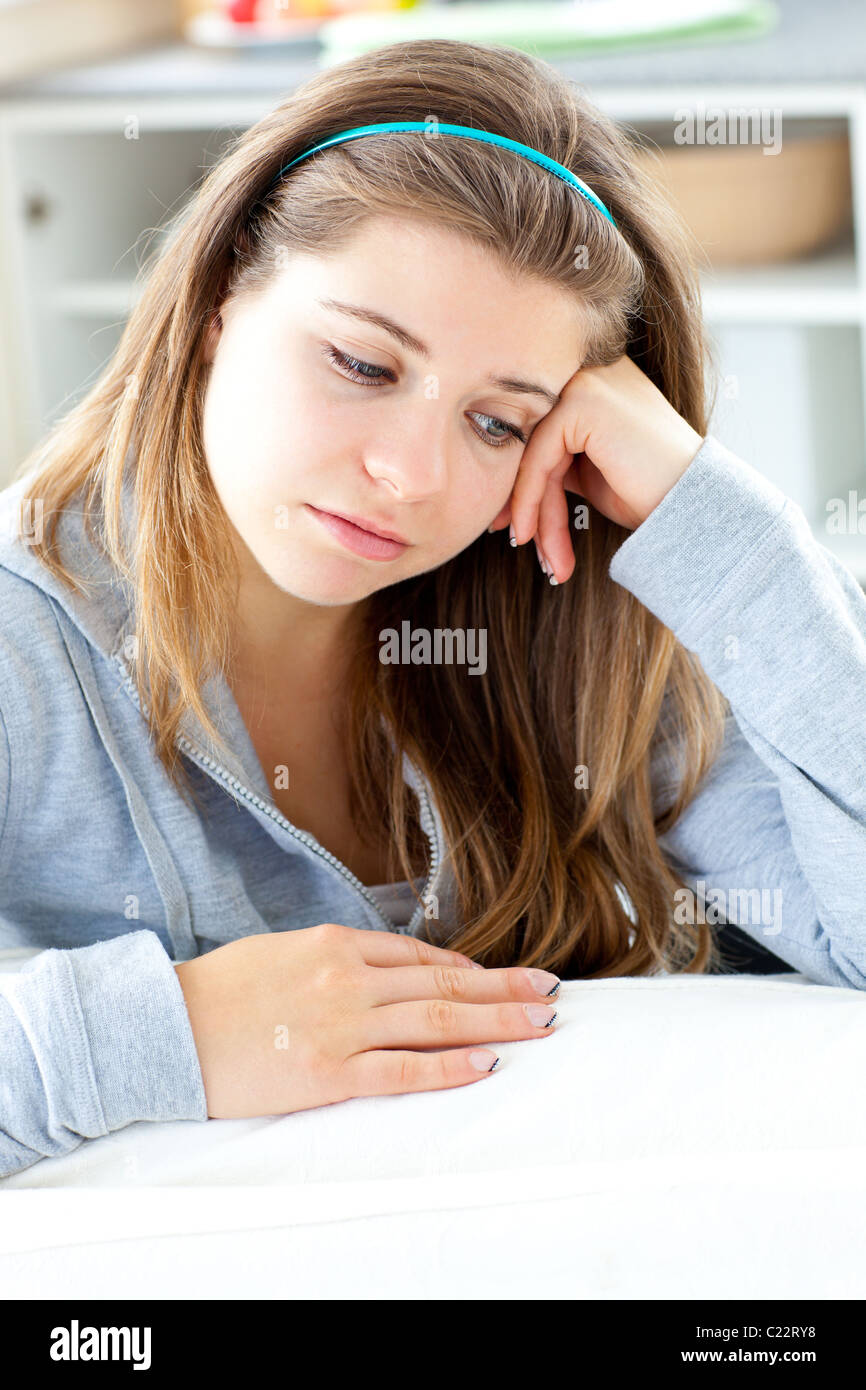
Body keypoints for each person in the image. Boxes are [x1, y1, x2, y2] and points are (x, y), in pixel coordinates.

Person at [1, 39, 863, 1181]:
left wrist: (721, 524)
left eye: (498, 423)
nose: (411, 474)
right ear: (219, 302)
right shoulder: (26, 648)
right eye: (361, 364)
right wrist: (181, 1030)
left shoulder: (576, 619)